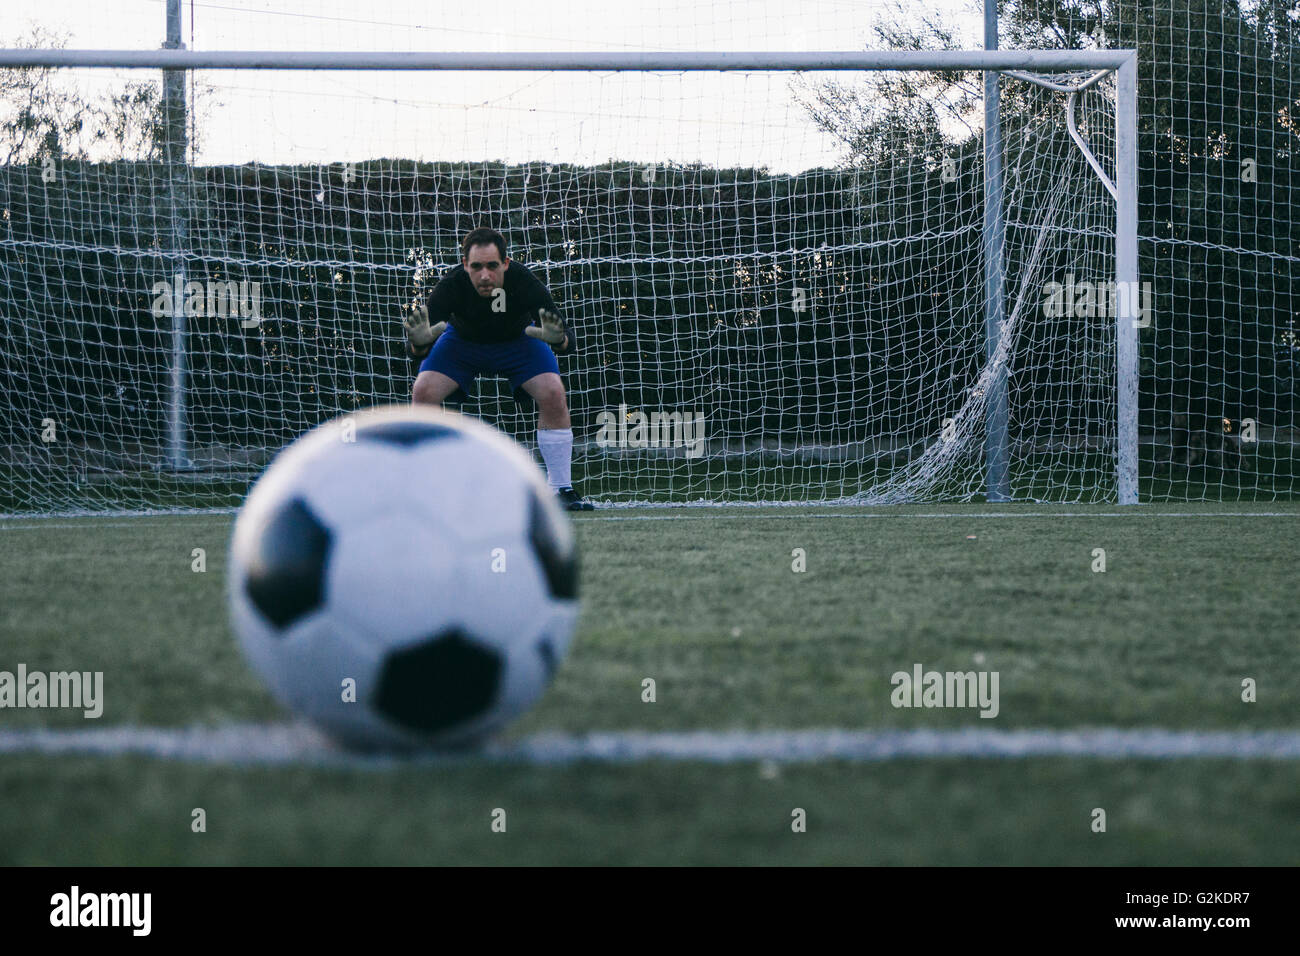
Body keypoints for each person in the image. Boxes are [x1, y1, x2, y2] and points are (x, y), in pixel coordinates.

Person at [404, 226, 594, 511]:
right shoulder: (451, 285)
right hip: (462, 343)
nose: (484, 275)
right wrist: (418, 345)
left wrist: (561, 340)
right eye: (477, 266)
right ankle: (426, 487)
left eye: (492, 266)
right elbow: (419, 349)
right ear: (465, 264)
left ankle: (561, 489)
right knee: (424, 389)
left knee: (553, 391)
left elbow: (566, 338)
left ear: (505, 263)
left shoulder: (523, 281)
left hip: (518, 341)